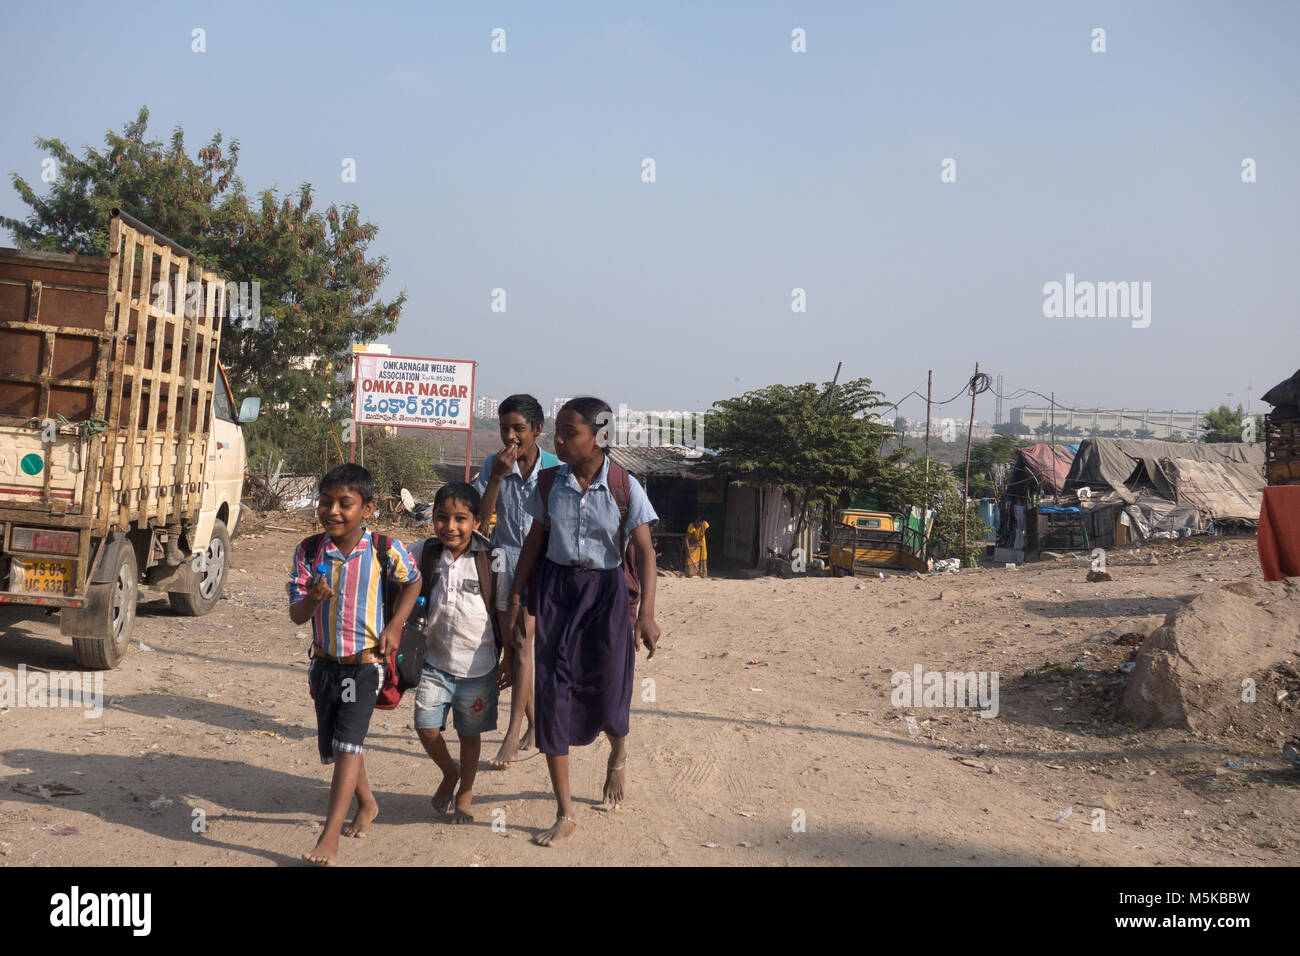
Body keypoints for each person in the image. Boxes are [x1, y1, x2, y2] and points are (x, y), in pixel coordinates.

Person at [507, 396, 661, 847]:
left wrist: (646, 614)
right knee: (553, 691)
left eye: (569, 433)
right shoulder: (548, 483)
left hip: (606, 596)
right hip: (556, 593)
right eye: (557, 431)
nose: (558, 440)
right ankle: (565, 812)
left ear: (601, 435)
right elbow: (534, 543)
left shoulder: (624, 486)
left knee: (610, 687)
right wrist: (518, 600)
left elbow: (647, 553)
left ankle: (618, 752)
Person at [289, 463, 421, 866]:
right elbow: (297, 615)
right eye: (326, 502)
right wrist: (314, 598)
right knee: (337, 745)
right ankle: (367, 804)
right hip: (325, 665)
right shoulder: (310, 551)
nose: (333, 511)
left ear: (367, 507)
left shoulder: (384, 548)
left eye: (345, 503)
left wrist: (396, 625)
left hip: (365, 665)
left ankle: (329, 837)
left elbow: (413, 581)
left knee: (348, 745)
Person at [408, 483, 509, 824]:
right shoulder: (423, 551)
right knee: (426, 727)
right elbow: (396, 579)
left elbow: (505, 610)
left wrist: (510, 656)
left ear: (477, 520)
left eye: (460, 519)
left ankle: (464, 793)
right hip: (434, 662)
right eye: (441, 518)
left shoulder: (493, 559)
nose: (450, 526)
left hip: (479, 667)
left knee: (470, 734)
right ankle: (448, 772)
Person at [473, 394, 559, 769]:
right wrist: (496, 477)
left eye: (518, 429)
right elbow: (480, 517)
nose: (510, 436)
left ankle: (511, 735)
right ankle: (537, 727)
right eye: (505, 428)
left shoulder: (556, 469)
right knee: (512, 646)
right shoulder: (494, 465)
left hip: (542, 565)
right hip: (504, 564)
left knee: (522, 643)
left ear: (537, 430)